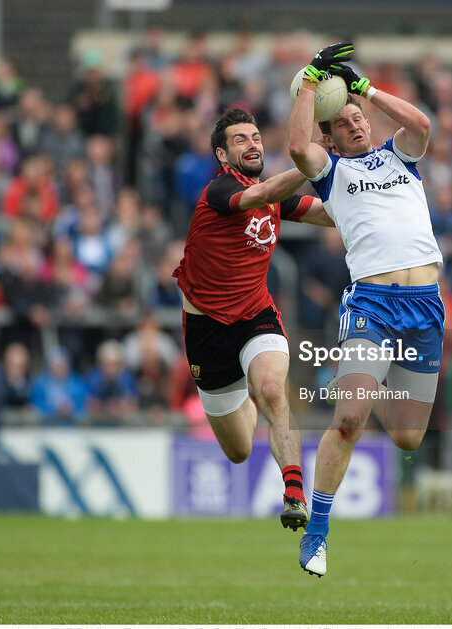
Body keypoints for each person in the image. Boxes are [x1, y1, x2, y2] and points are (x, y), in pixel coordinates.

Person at [288, 43, 445, 576]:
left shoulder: (401, 156)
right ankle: (318, 531)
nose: (357, 125)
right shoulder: (330, 173)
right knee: (350, 418)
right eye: (345, 123)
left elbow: (422, 123)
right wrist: (311, 82)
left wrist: (367, 89)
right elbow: (295, 147)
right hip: (371, 305)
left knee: (407, 436)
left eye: (360, 119)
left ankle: (364, 381)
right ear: (329, 138)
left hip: (425, 305)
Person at [172, 108, 334, 533]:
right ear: (224, 156)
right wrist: (311, 157)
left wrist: (374, 201)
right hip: (208, 332)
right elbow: (264, 196)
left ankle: (294, 493)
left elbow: (329, 213)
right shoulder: (221, 190)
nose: (253, 144)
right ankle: (241, 388)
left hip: (256, 316)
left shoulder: (271, 193)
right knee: (240, 450)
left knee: (271, 390)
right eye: (241, 139)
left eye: (257, 136)